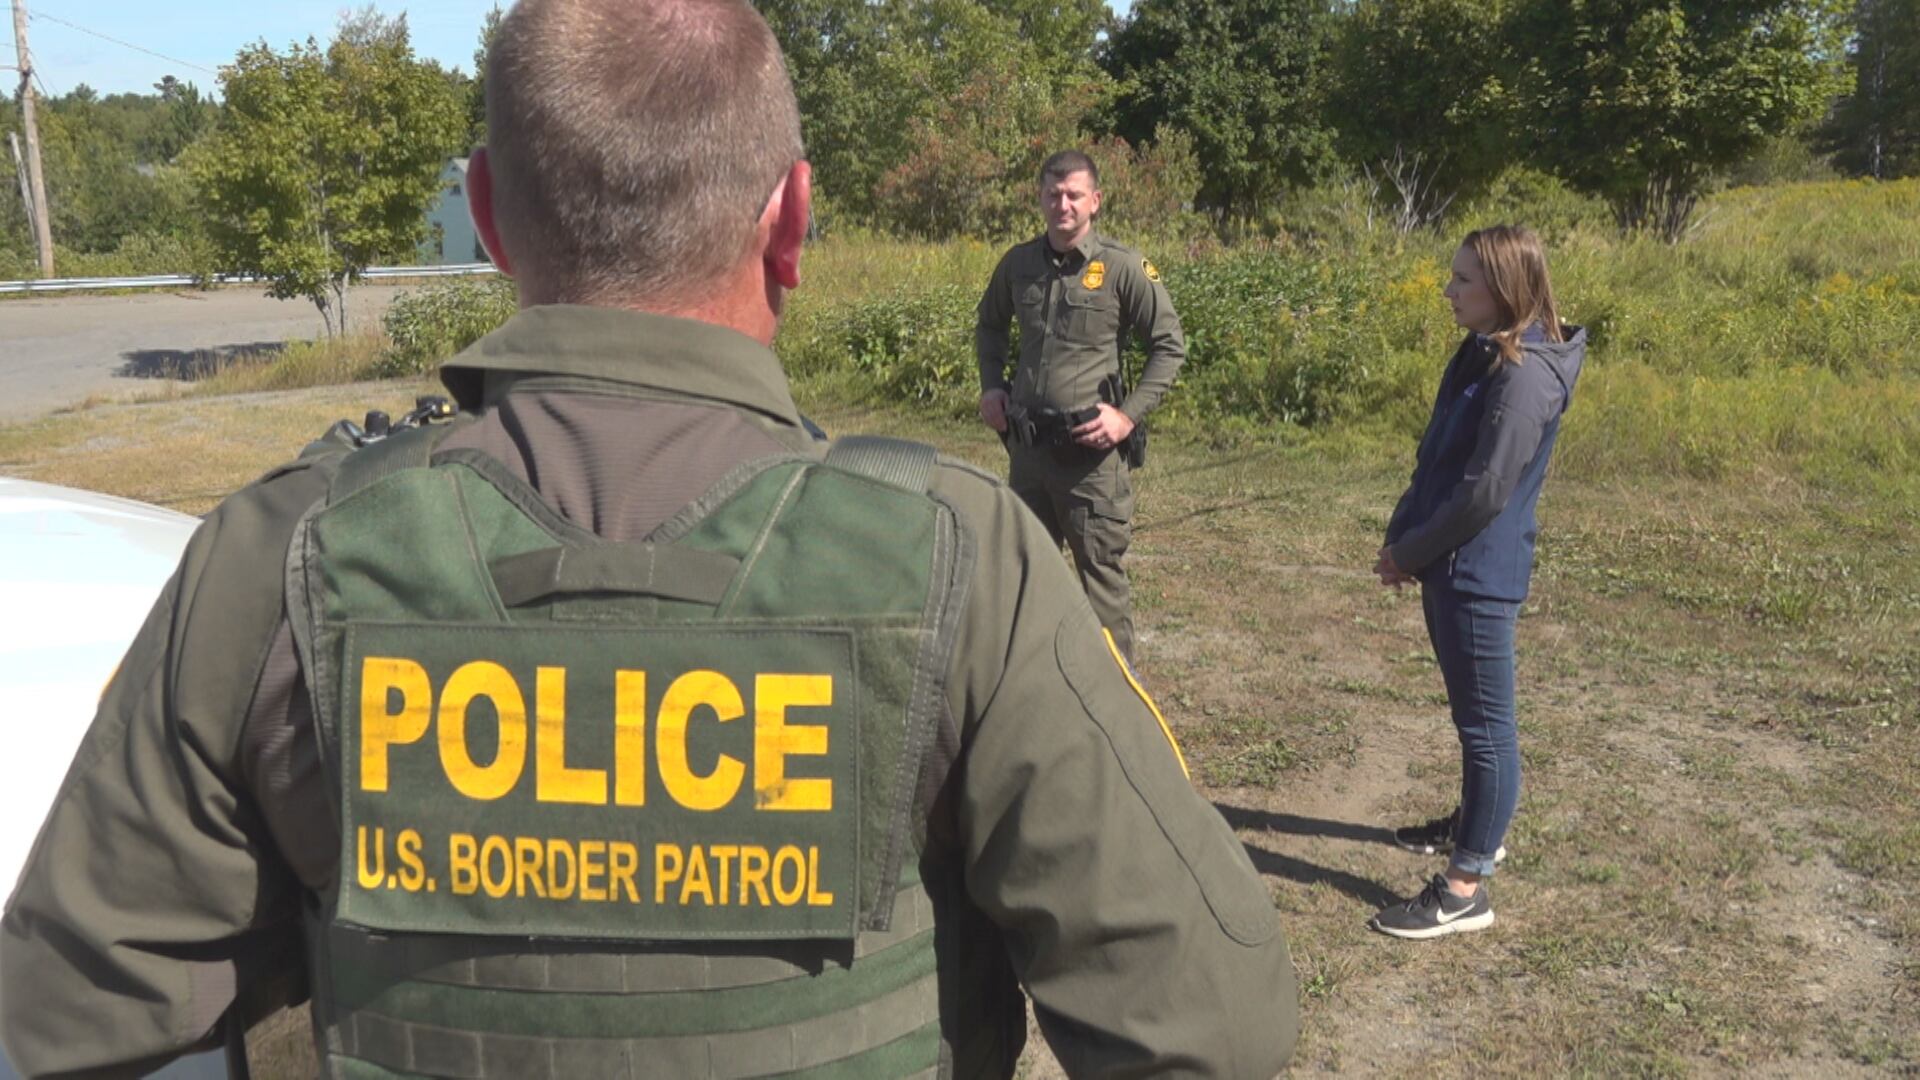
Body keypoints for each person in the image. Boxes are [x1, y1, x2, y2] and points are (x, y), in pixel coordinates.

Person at [0, 0, 1298, 1075]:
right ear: (790, 222)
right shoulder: (967, 560)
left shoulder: (270, 564)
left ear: (489, 213)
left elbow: (69, 1022)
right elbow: (1213, 1023)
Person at [1368, 225, 1585, 940]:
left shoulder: (1524, 377)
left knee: (1487, 731)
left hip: (1476, 574)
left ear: (1504, 287)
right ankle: (1472, 825)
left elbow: (1484, 493)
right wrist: (1403, 536)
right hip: (1446, 562)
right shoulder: (1479, 353)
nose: (1449, 290)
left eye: (1463, 280)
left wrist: (1416, 553)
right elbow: (1436, 458)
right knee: (1474, 722)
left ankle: (1465, 888)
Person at [974, 152, 1186, 664]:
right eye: (1052, 193)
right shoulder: (1019, 264)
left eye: (1073, 194)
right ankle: (1029, 688)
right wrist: (991, 386)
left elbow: (1170, 346)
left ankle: (1117, 705)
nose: (1061, 203)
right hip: (1029, 455)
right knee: (1020, 577)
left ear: (1095, 201)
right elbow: (989, 325)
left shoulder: (1122, 266)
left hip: (1090, 461)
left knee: (1102, 587)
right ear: (1040, 198)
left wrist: (1127, 415)